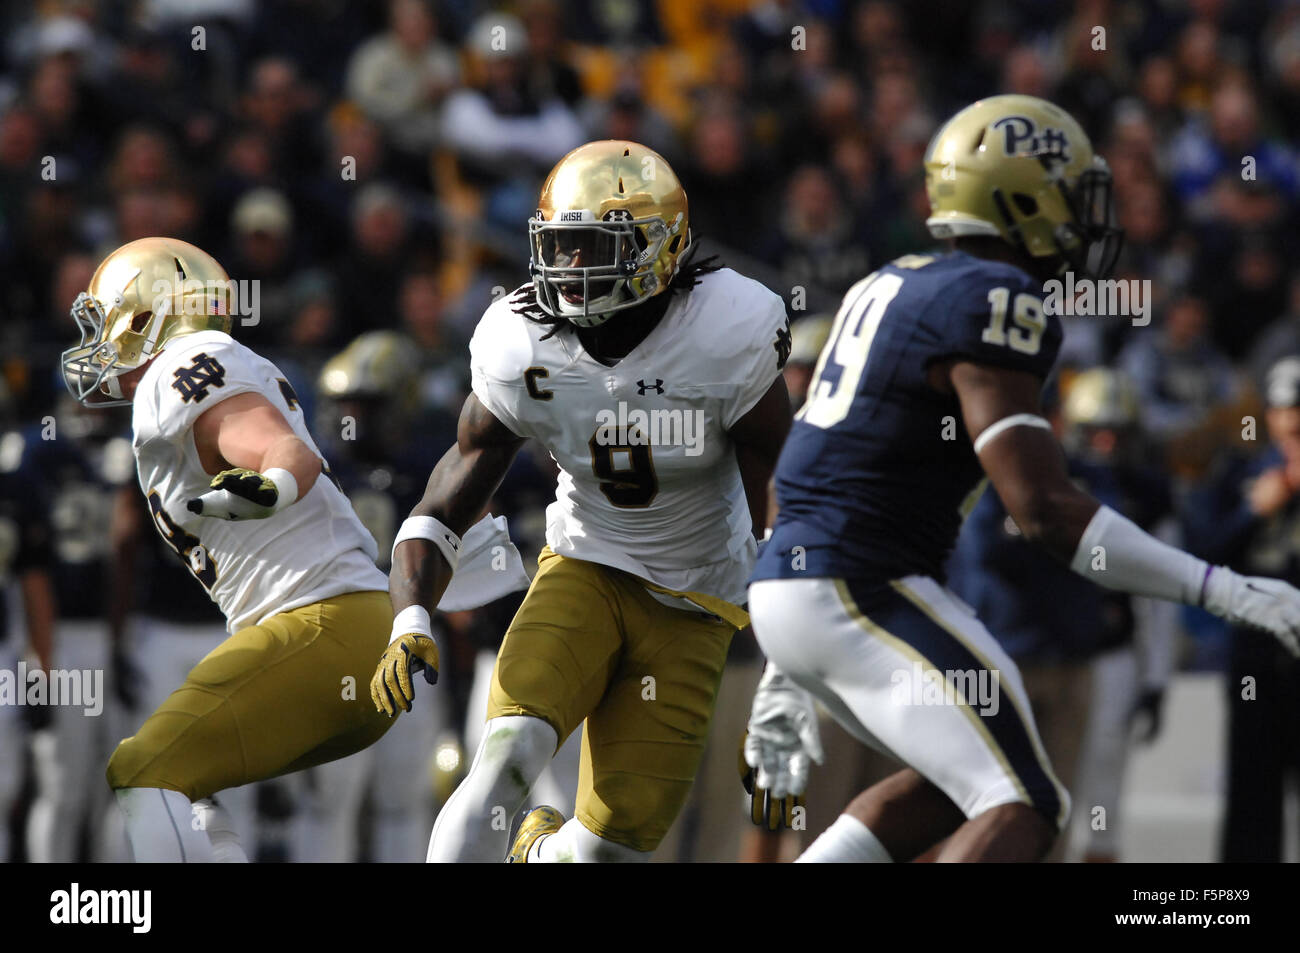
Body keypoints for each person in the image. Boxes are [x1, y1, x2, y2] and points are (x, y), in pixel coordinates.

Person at [744, 95, 1300, 863]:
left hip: (802, 577)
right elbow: (1044, 510)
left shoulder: (892, 280)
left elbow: (805, 467)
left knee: (955, 782)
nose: (1086, 218)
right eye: (1072, 194)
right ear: (1017, 198)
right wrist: (1229, 589)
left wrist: (783, 636)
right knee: (1029, 802)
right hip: (860, 582)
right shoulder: (992, 297)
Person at [371, 140, 792, 863]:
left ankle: (539, 853)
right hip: (584, 567)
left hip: (697, 601)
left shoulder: (729, 331)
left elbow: (785, 510)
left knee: (608, 851)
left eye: (591, 248)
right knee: (499, 768)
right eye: (559, 246)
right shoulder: (521, 340)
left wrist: (787, 685)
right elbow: (446, 495)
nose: (567, 270)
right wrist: (409, 616)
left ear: (657, 249)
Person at [62, 236, 414, 861]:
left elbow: (283, 449)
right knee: (195, 789)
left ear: (149, 315)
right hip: (337, 635)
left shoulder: (180, 364)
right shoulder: (195, 372)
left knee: (144, 770)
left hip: (324, 626)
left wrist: (271, 485)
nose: (98, 340)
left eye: (106, 318)